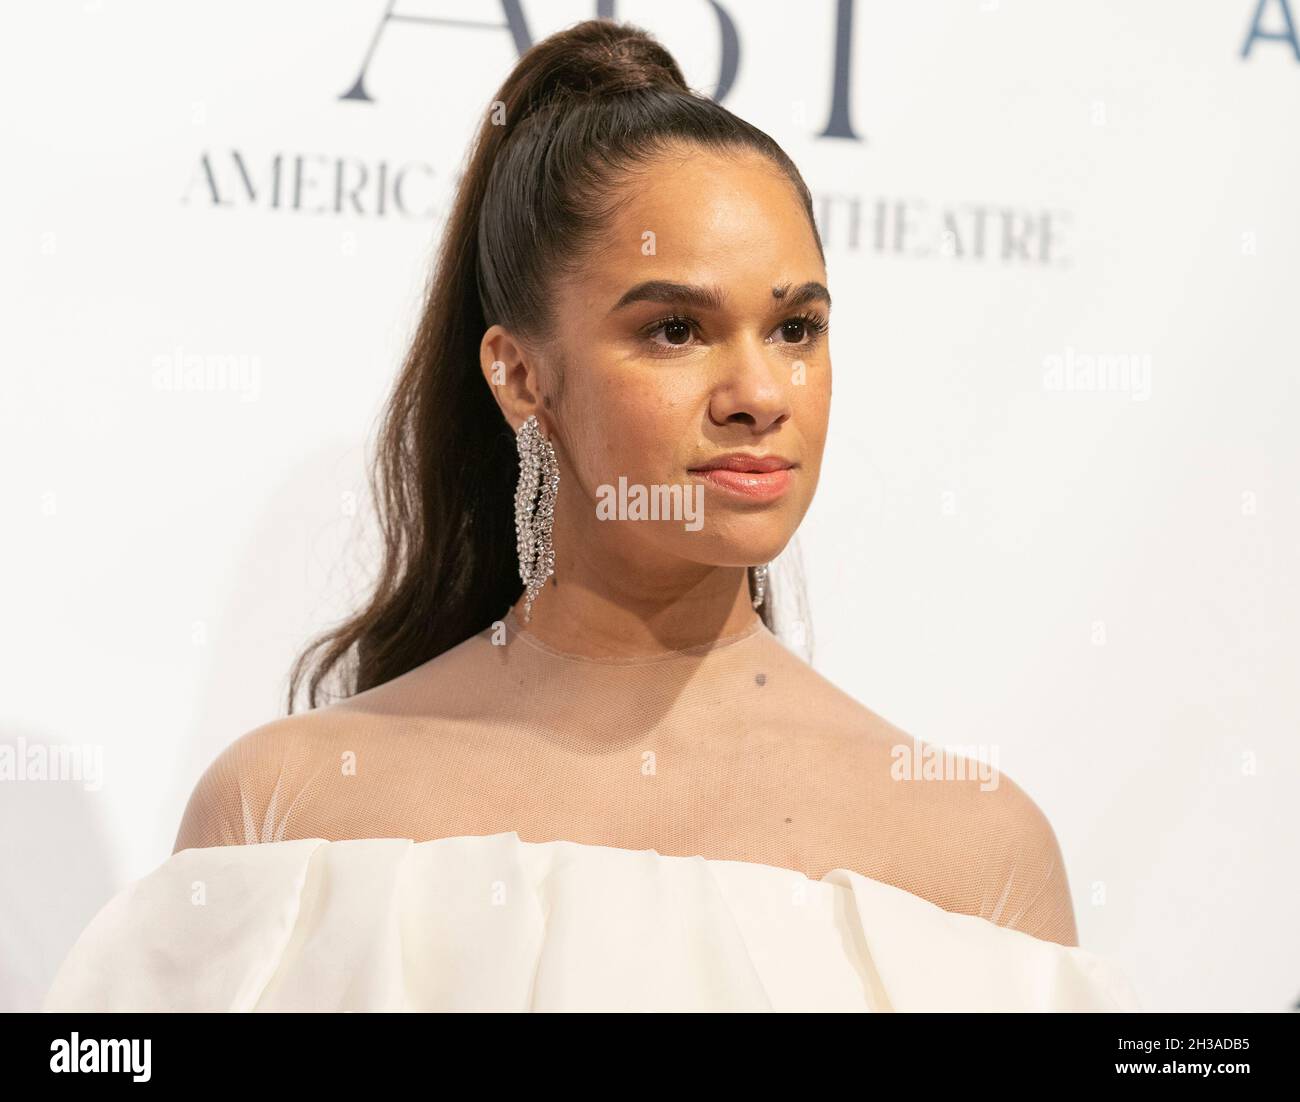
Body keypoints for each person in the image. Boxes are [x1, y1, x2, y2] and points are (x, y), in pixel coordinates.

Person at [43, 19, 1139, 1012]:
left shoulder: (968, 853)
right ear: (520, 375)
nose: (759, 392)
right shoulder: (283, 815)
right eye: (674, 330)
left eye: (796, 328)